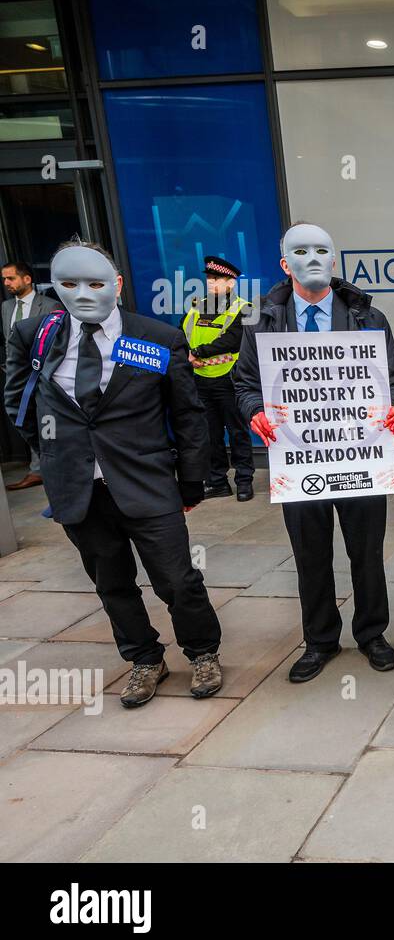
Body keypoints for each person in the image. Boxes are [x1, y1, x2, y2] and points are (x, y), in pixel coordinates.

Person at [4, 240, 223, 707]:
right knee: (111, 582)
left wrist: (190, 479)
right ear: (55, 286)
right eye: (69, 283)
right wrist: (52, 453)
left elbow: (187, 413)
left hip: (146, 480)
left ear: (118, 285)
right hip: (78, 488)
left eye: (96, 282)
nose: (83, 292)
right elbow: (17, 402)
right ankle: (144, 658)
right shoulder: (33, 336)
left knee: (178, 579)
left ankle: (203, 652)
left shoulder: (156, 338)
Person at [234, 222, 394, 683]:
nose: (312, 258)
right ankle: (320, 641)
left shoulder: (369, 317)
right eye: (300, 250)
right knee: (310, 554)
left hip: (359, 458)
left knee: (366, 552)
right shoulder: (260, 318)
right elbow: (245, 384)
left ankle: (372, 633)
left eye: (322, 250)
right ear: (283, 263)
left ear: (334, 260)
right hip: (298, 460)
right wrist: (254, 411)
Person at [182, 255, 255, 501]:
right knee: (210, 433)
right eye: (210, 279)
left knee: (237, 432)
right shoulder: (196, 306)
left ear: (231, 283)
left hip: (229, 378)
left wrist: (197, 353)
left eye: (218, 279)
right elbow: (184, 333)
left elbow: (232, 340)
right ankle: (217, 481)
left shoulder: (244, 308)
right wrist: (187, 354)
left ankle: (244, 480)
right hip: (200, 378)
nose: (212, 284)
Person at [2, 260, 57, 491]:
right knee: (22, 416)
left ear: (27, 279)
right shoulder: (5, 307)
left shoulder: (51, 306)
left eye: (11, 278)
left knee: (46, 419)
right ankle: (39, 468)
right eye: (4, 279)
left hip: (43, 374)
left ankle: (46, 467)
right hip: (16, 375)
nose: (6, 283)